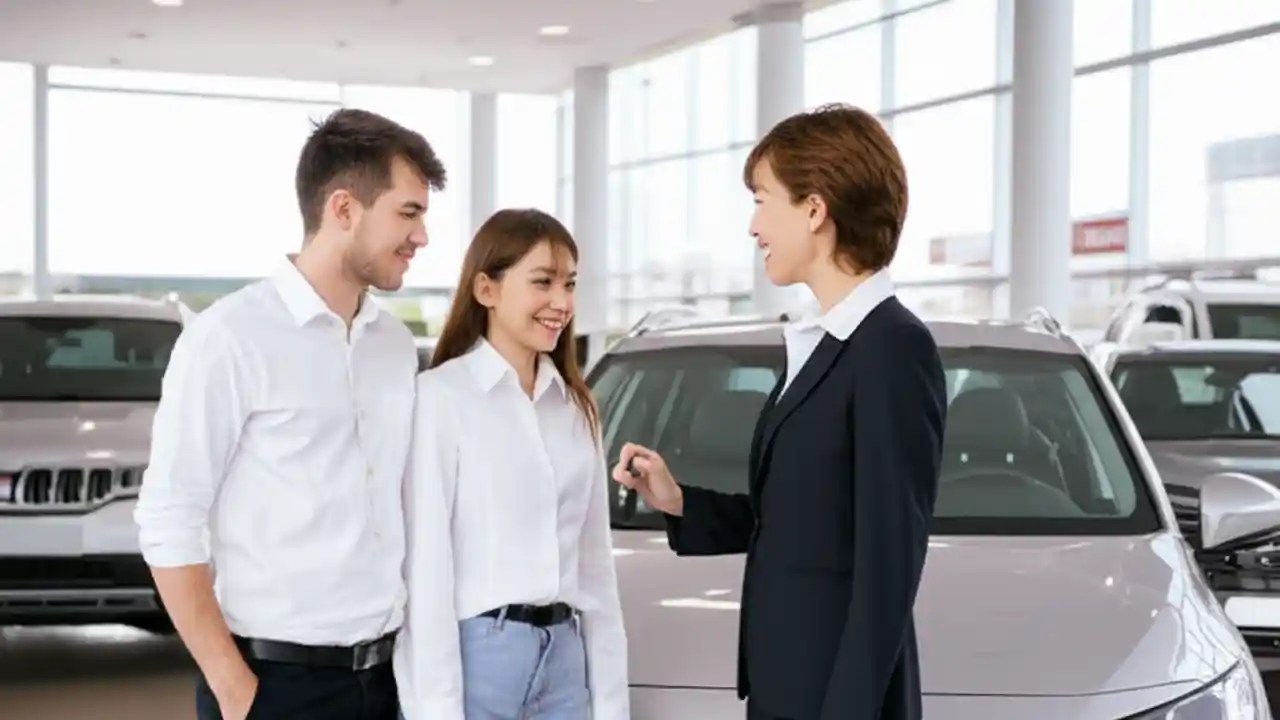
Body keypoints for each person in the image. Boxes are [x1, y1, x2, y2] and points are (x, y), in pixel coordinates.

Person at [613, 104, 947, 720]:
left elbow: (887, 567)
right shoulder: (827, 344)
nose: (754, 226)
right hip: (788, 683)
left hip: (833, 698)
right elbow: (800, 521)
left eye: (763, 200)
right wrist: (680, 501)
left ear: (815, 209)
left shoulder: (891, 348)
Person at [134, 108, 446, 720]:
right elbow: (169, 519)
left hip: (389, 681)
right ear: (344, 208)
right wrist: (233, 687)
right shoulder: (229, 338)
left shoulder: (390, 346)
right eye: (408, 213)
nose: (422, 237)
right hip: (275, 685)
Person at [394, 208, 629, 720]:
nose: (562, 302)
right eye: (542, 282)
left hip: (567, 659)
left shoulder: (575, 408)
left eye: (570, 284)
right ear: (487, 289)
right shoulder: (440, 398)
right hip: (480, 658)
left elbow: (595, 570)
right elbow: (427, 571)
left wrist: (612, 705)